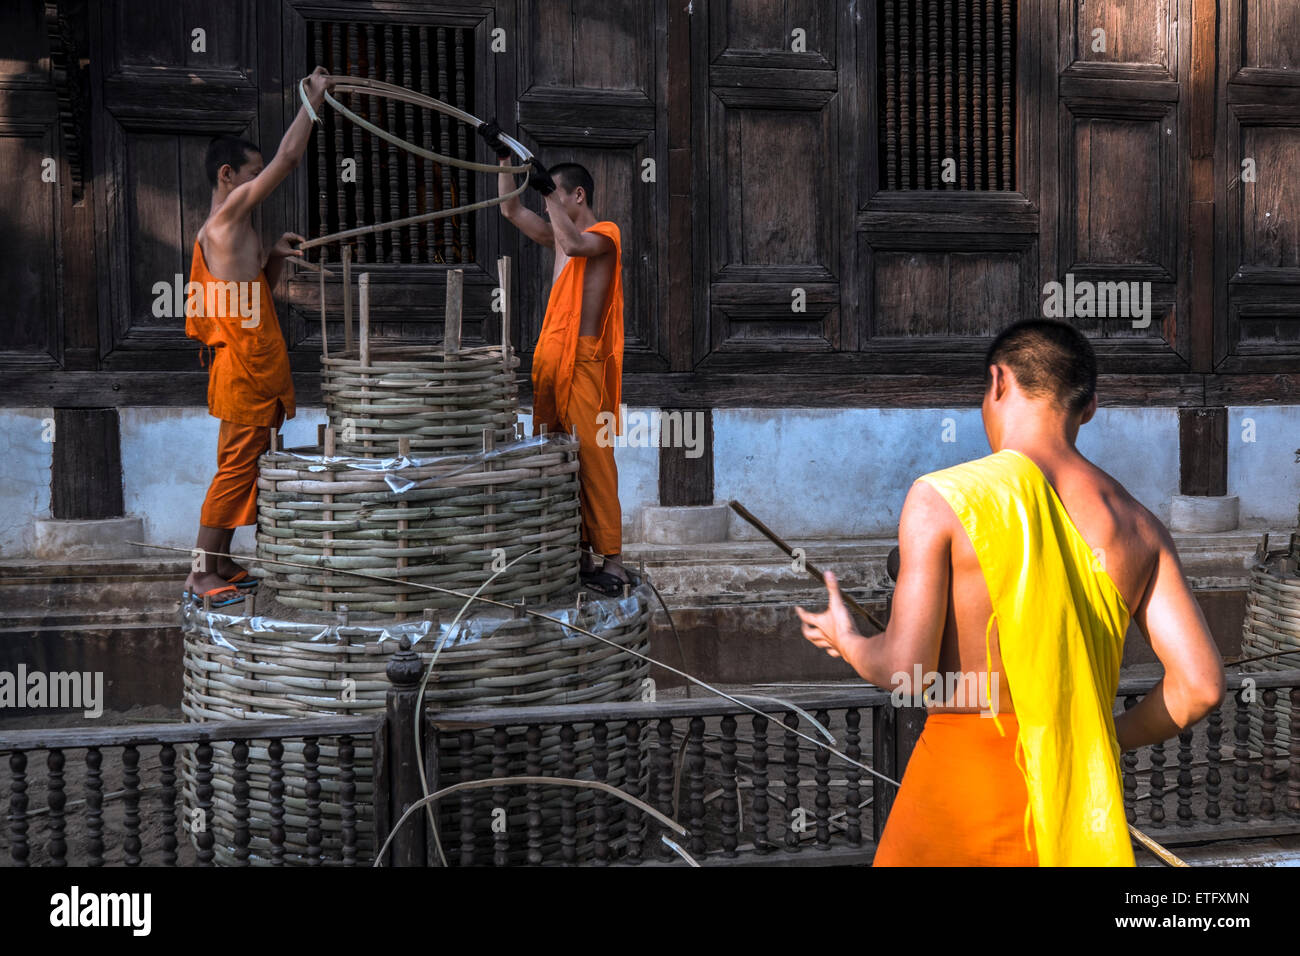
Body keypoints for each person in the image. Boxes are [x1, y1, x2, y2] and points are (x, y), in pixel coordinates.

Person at [795, 318, 1225, 866]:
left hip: (958, 796)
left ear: (998, 381)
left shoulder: (945, 498)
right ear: (1089, 408)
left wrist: (849, 641)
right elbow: (1200, 687)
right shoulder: (1140, 527)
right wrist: (1102, 737)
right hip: (1074, 808)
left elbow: (908, 671)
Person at [182, 66, 332, 607]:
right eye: (252, 173)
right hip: (243, 372)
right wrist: (313, 101)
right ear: (228, 175)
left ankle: (221, 562)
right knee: (233, 471)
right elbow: (288, 159)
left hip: (249, 367)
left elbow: (251, 298)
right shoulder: (225, 220)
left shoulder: (237, 228)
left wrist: (272, 258)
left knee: (244, 466)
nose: (259, 181)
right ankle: (200, 574)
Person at [480, 121, 629, 593]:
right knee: (557, 455)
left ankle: (613, 561)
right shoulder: (558, 236)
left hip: (584, 363)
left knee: (594, 459)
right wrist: (504, 160)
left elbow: (573, 244)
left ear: (577, 196)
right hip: (552, 359)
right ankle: (576, 553)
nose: (550, 204)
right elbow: (510, 210)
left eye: (556, 196)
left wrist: (546, 194)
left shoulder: (604, 236)